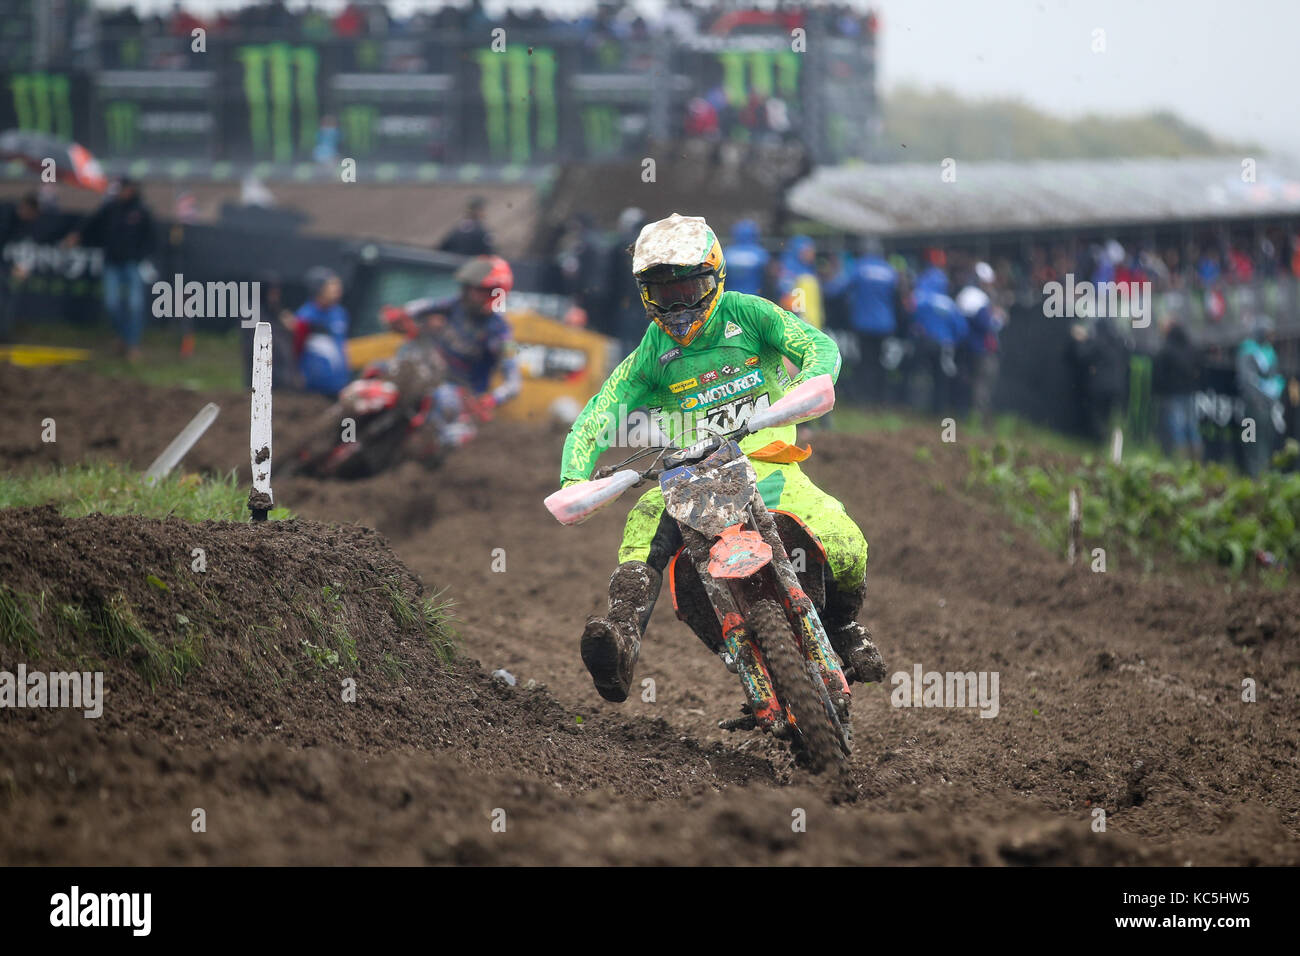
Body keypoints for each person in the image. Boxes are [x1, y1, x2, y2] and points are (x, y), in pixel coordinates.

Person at [558, 213, 885, 703]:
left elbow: (817, 345)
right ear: (647, 295)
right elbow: (595, 418)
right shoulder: (651, 353)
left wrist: (814, 379)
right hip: (688, 476)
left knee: (845, 542)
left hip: (768, 461)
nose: (680, 306)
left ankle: (842, 626)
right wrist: (573, 481)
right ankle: (621, 640)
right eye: (665, 295)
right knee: (642, 524)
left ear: (716, 278)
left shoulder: (750, 313)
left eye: (690, 290)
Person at [379, 254, 522, 446]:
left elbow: (514, 382)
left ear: (495, 293)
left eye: (477, 289)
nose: (470, 293)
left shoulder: (503, 333)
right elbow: (419, 307)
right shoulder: (454, 306)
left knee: (440, 400)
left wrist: (490, 400)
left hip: (462, 396)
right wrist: (399, 315)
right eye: (468, 287)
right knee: (380, 369)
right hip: (429, 376)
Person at [64, 177, 155, 361]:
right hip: (111, 263)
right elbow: (92, 222)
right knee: (111, 304)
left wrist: (141, 257)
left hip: (132, 264)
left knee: (135, 305)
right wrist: (77, 235)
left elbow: (152, 237)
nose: (122, 192)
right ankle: (124, 337)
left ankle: (132, 344)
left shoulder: (142, 211)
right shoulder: (111, 208)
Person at [824, 237, 898, 404]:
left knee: (865, 362)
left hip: (864, 323)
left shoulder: (860, 268)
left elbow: (837, 289)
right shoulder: (889, 271)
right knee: (881, 361)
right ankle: (882, 399)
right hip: (885, 324)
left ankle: (864, 398)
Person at [954, 261, 1004, 424]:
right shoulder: (977, 297)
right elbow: (987, 324)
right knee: (982, 384)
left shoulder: (963, 294)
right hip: (981, 348)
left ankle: (966, 416)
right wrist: (999, 318)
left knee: (969, 381)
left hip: (965, 346)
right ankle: (979, 419)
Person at [1235, 315, 1285, 477]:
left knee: (1267, 441)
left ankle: (1265, 474)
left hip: (1269, 405)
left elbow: (1275, 376)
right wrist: (1258, 397)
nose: (1271, 338)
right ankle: (1254, 475)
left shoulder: (1269, 352)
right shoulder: (1247, 351)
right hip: (1252, 405)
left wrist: (1275, 391)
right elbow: (1246, 379)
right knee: (1251, 441)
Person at [294, 267, 351, 397]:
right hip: (313, 387)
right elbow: (296, 348)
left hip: (338, 384)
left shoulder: (340, 314)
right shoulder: (305, 317)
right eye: (331, 285)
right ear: (318, 289)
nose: (337, 290)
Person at [1152, 320, 1202, 460]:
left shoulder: (1166, 350)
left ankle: (1181, 459)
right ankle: (1196, 459)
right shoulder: (1191, 348)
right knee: (1192, 426)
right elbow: (1199, 369)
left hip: (1171, 394)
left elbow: (1159, 374)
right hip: (1190, 392)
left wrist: (1159, 391)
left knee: (1176, 427)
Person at [723, 218, 768, 296]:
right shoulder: (760, 253)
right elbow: (769, 274)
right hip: (754, 297)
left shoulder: (726, 252)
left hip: (730, 297)